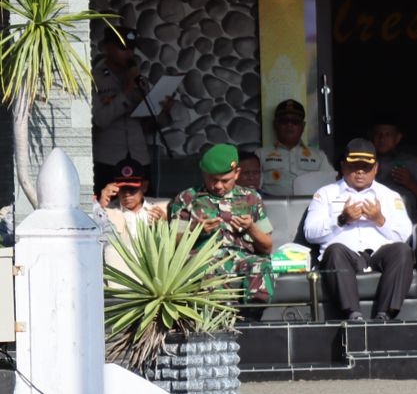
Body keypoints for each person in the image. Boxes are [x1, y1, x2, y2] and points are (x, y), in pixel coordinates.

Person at [303, 138, 415, 322]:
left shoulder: (389, 196)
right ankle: (352, 315)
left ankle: (385, 315)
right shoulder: (325, 194)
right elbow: (310, 233)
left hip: (379, 255)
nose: (360, 171)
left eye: (366, 166)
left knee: (403, 251)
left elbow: (404, 235)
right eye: (354, 166)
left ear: (376, 168)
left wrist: (380, 220)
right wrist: (341, 220)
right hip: (344, 256)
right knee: (335, 250)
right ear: (343, 166)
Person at [168, 144, 274, 303]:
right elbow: (171, 243)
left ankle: (252, 317)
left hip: (241, 258)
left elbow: (267, 246)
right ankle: (215, 318)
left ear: (237, 173)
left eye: (225, 181)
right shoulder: (187, 198)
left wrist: (251, 227)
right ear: (204, 174)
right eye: (212, 180)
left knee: (262, 264)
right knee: (205, 269)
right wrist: (195, 230)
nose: (218, 186)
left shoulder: (251, 198)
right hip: (203, 259)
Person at [91, 28, 171, 189]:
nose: (128, 53)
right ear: (107, 47)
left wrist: (164, 110)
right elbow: (100, 120)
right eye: (123, 48)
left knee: (144, 209)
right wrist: (127, 91)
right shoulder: (95, 79)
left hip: (139, 157)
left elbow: (149, 126)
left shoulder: (139, 80)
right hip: (108, 159)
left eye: (131, 48)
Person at [94, 157, 169, 265]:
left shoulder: (163, 208)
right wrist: (100, 206)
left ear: (144, 186)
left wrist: (166, 224)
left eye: (132, 189)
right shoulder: (107, 211)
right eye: (123, 188)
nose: (127, 194)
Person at [260, 99, 333, 198]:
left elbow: (330, 186)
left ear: (302, 126)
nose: (289, 125)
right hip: (272, 209)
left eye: (295, 121)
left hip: (310, 208)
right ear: (275, 124)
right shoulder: (261, 155)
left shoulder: (319, 156)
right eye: (284, 121)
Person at [372, 117, 417, 216]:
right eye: (378, 134)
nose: (382, 139)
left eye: (388, 134)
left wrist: (410, 182)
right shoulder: (359, 162)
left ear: (397, 138)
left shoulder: (410, 162)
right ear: (371, 136)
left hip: (405, 217)